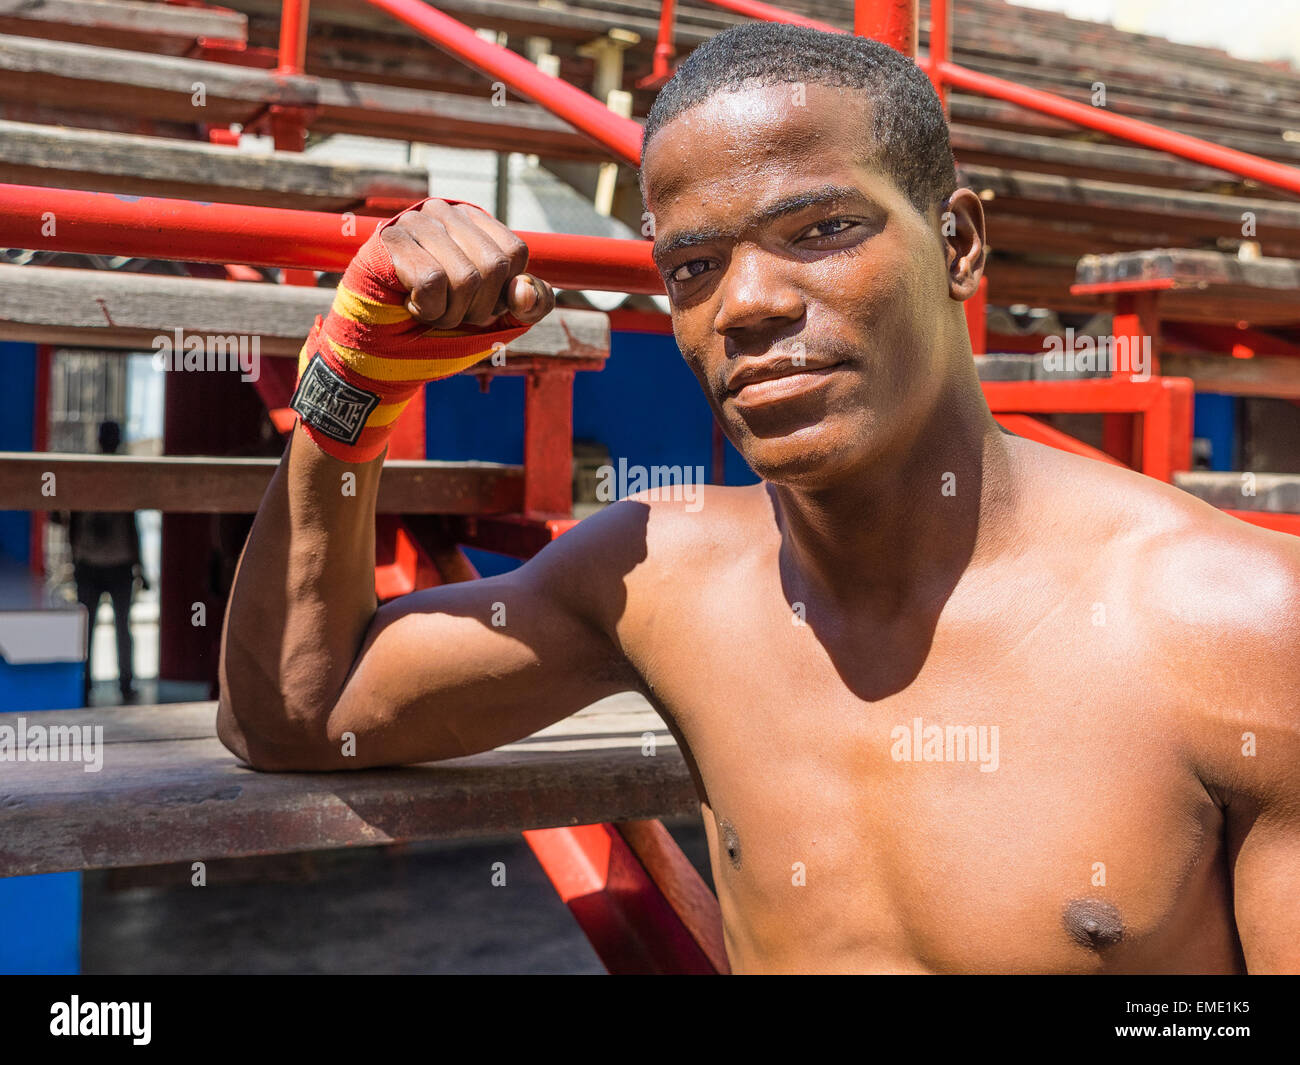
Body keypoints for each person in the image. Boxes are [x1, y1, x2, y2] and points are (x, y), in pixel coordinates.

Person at [217, 24, 1300, 973]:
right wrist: (354, 383)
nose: (746, 303)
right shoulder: (661, 577)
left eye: (820, 230)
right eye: (691, 267)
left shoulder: (1235, 626)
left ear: (959, 243)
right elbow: (301, 713)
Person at [66, 420, 147, 705]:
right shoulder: (122, 472)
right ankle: (122, 685)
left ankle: (86, 686)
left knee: (89, 629)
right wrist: (142, 567)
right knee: (121, 627)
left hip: (92, 562)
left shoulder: (85, 471)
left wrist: (72, 556)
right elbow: (131, 523)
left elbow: (72, 519)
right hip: (116, 562)